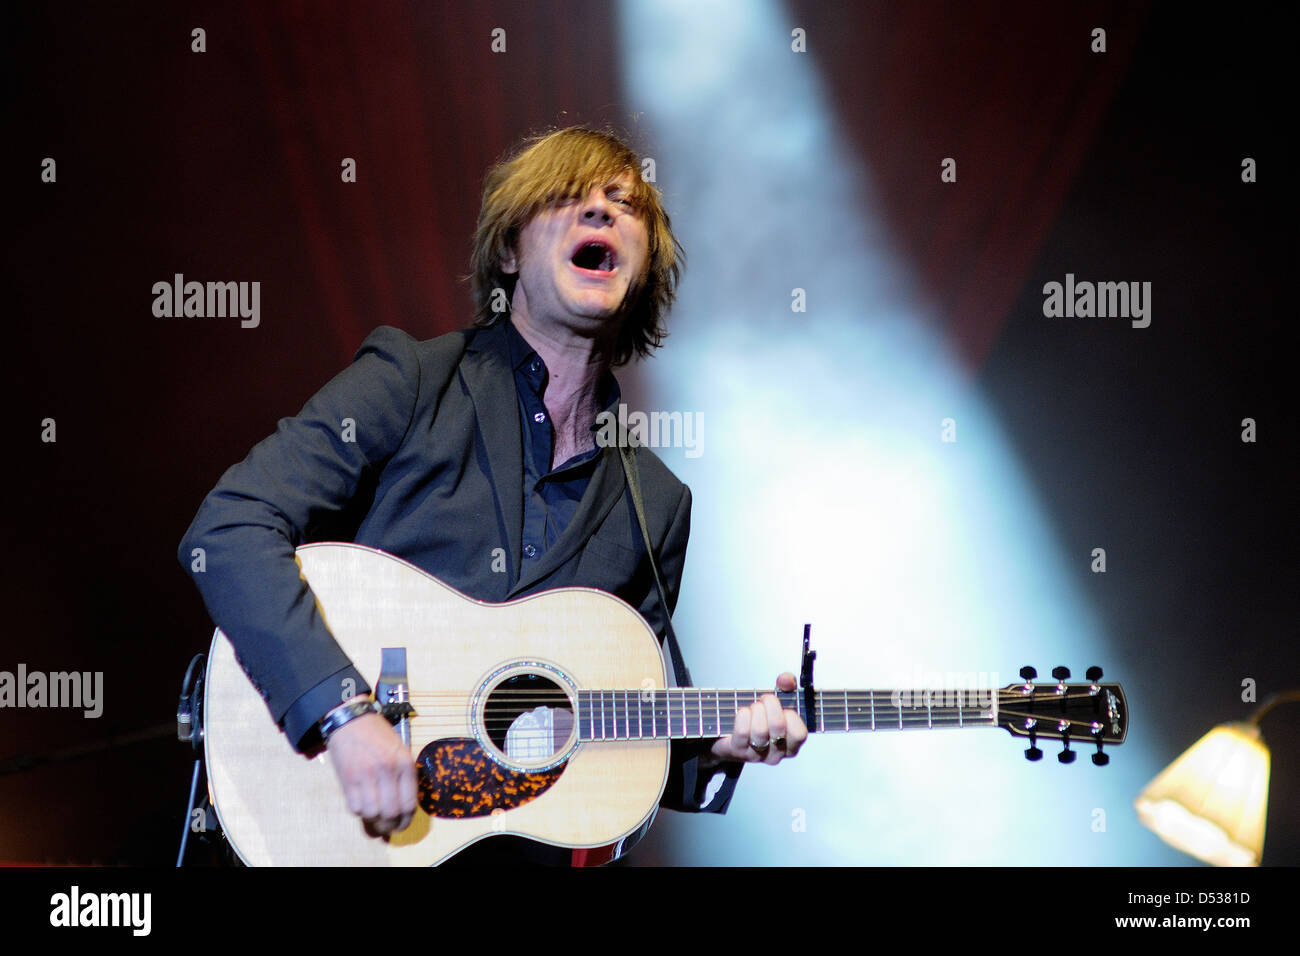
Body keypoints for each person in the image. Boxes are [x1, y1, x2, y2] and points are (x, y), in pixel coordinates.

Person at [178, 126, 807, 864]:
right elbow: (228, 527)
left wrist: (727, 744)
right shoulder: (412, 381)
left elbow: (627, 724)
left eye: (623, 204)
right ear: (509, 251)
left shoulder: (656, 503)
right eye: (568, 197)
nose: (600, 212)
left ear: (645, 271)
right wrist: (343, 715)